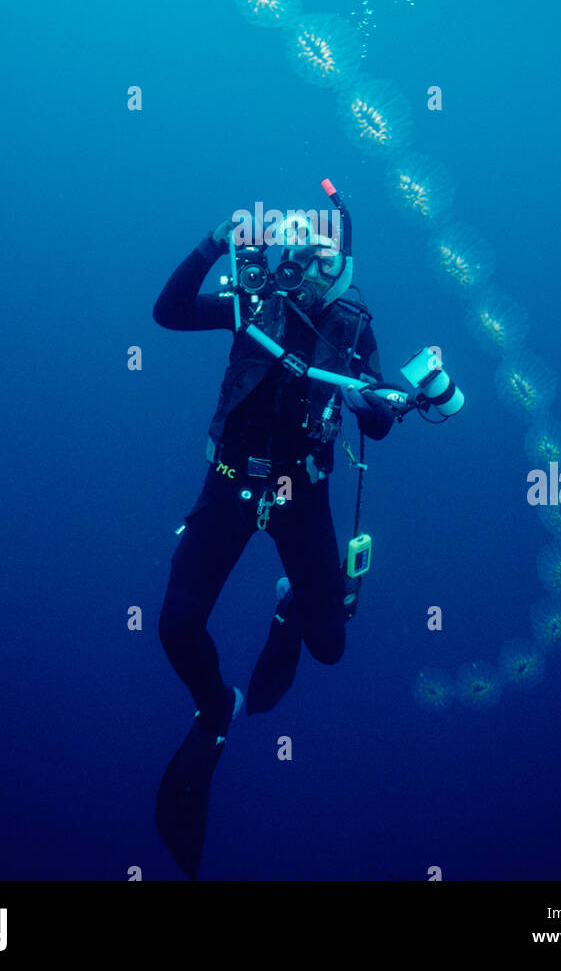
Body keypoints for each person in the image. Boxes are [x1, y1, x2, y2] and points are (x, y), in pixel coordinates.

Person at [152, 209, 395, 877]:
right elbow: (168, 313)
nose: (311, 271)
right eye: (303, 255)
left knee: (329, 647)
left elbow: (380, 421)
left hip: (302, 494)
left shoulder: (353, 327)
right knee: (175, 627)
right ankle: (216, 707)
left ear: (344, 264)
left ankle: (292, 608)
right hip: (231, 482)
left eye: (326, 260)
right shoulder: (253, 303)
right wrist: (212, 243)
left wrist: (376, 405)